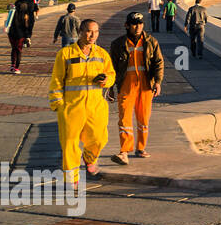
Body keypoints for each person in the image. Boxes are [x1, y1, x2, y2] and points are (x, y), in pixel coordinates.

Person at [49, 19, 115, 185]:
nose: (93, 35)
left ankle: (89, 158)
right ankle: (72, 179)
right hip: (71, 107)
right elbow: (57, 79)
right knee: (69, 143)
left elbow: (112, 75)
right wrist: (58, 104)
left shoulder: (101, 54)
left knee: (100, 138)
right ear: (80, 31)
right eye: (88, 31)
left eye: (96, 31)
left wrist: (106, 80)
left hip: (96, 106)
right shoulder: (65, 54)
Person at [108, 11, 164, 165]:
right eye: (134, 23)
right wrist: (110, 87)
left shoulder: (151, 41)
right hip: (126, 86)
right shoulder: (117, 44)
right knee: (124, 119)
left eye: (140, 23)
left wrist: (157, 82)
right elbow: (111, 67)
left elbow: (158, 62)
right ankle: (124, 151)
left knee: (143, 118)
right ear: (127, 25)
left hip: (146, 86)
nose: (137, 26)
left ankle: (141, 148)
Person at [7, 0, 39, 74]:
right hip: (20, 35)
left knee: (13, 49)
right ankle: (16, 68)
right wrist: (27, 37)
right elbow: (27, 28)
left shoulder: (14, 14)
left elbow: (8, 22)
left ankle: (12, 65)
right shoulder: (25, 18)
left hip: (11, 34)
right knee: (19, 50)